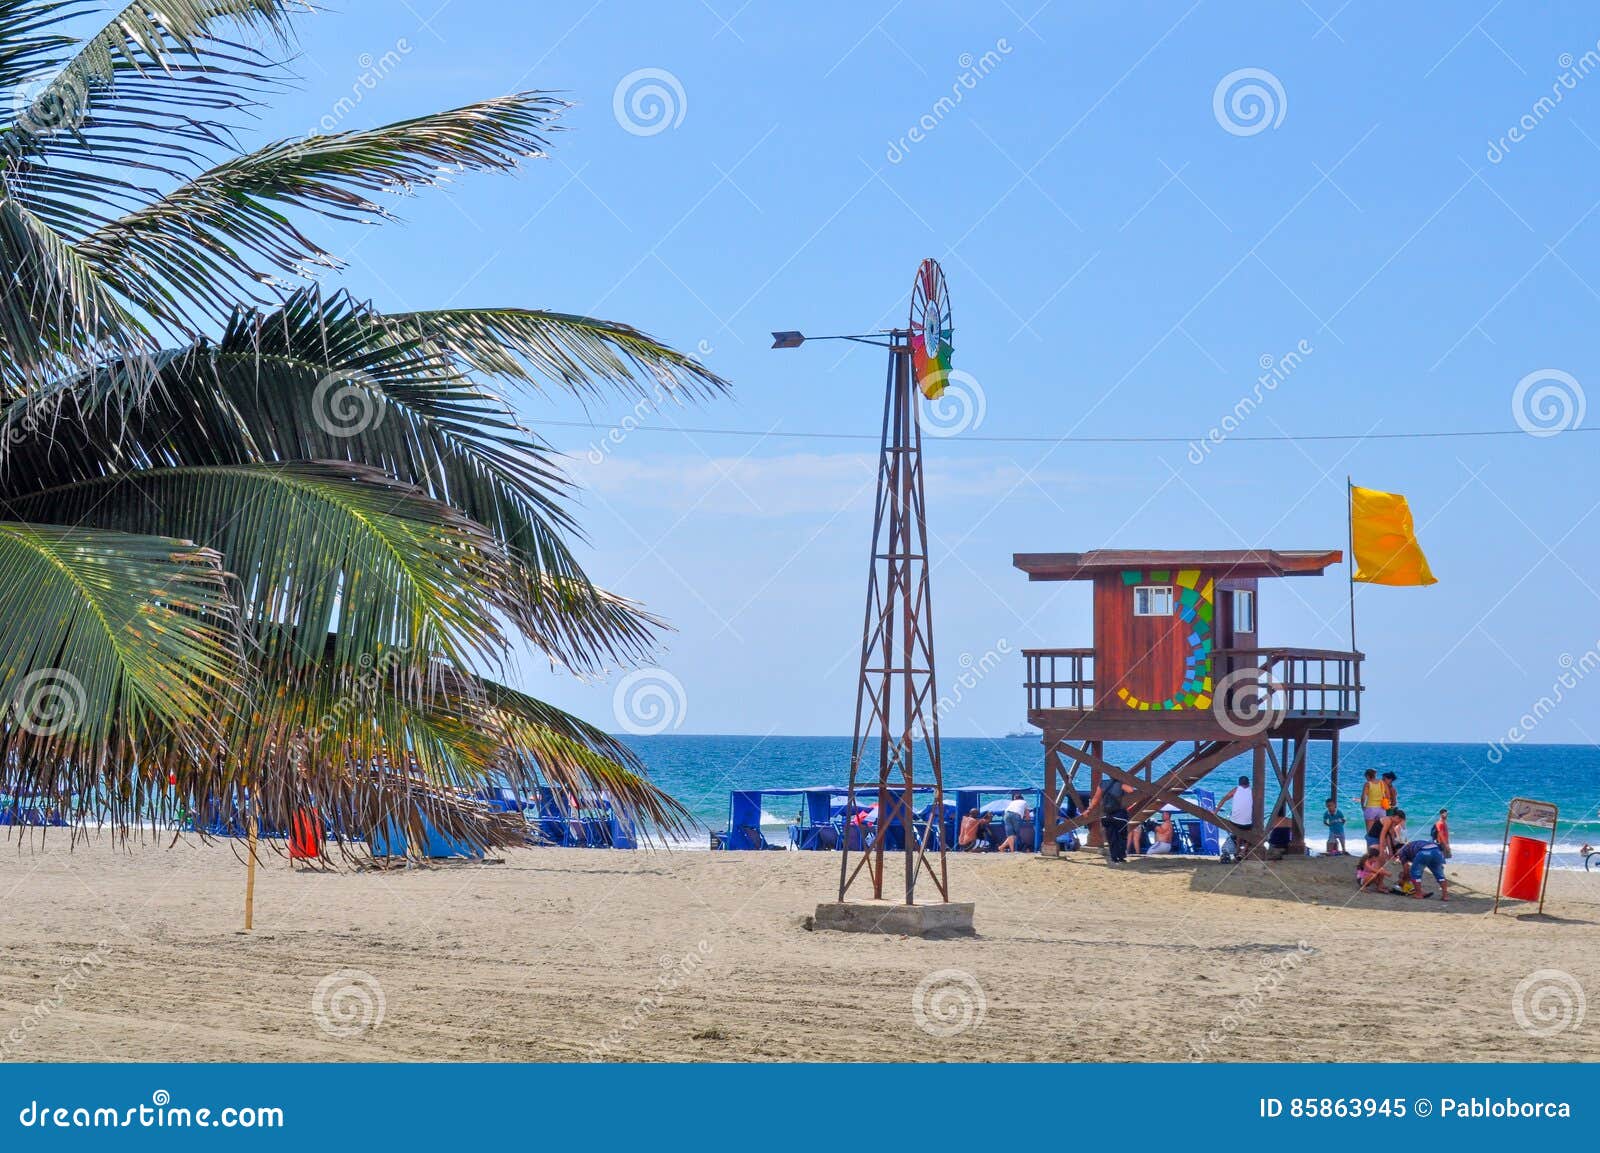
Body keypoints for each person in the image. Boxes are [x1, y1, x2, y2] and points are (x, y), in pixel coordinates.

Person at [1083, 777, 1134, 863]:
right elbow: (1131, 790)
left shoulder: (1102, 784)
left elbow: (1095, 798)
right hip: (1119, 815)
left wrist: (1089, 809)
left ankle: (1114, 858)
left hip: (1106, 815)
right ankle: (1121, 857)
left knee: (1111, 837)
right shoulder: (1121, 784)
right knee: (1121, 836)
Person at [1218, 775, 1254, 859]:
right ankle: (1243, 851)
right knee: (1251, 833)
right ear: (1248, 784)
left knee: (1238, 831)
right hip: (1246, 823)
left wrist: (1215, 811)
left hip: (1234, 822)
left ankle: (1237, 850)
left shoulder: (1236, 790)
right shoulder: (1252, 791)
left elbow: (1224, 798)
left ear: (1239, 783)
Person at [1358, 769, 1386, 847]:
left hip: (1371, 808)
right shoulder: (1381, 783)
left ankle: (1370, 851)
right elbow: (1384, 796)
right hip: (1381, 809)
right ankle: (1380, 849)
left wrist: (1362, 806)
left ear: (1367, 776)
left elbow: (1363, 797)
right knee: (1380, 832)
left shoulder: (1368, 784)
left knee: (1370, 833)